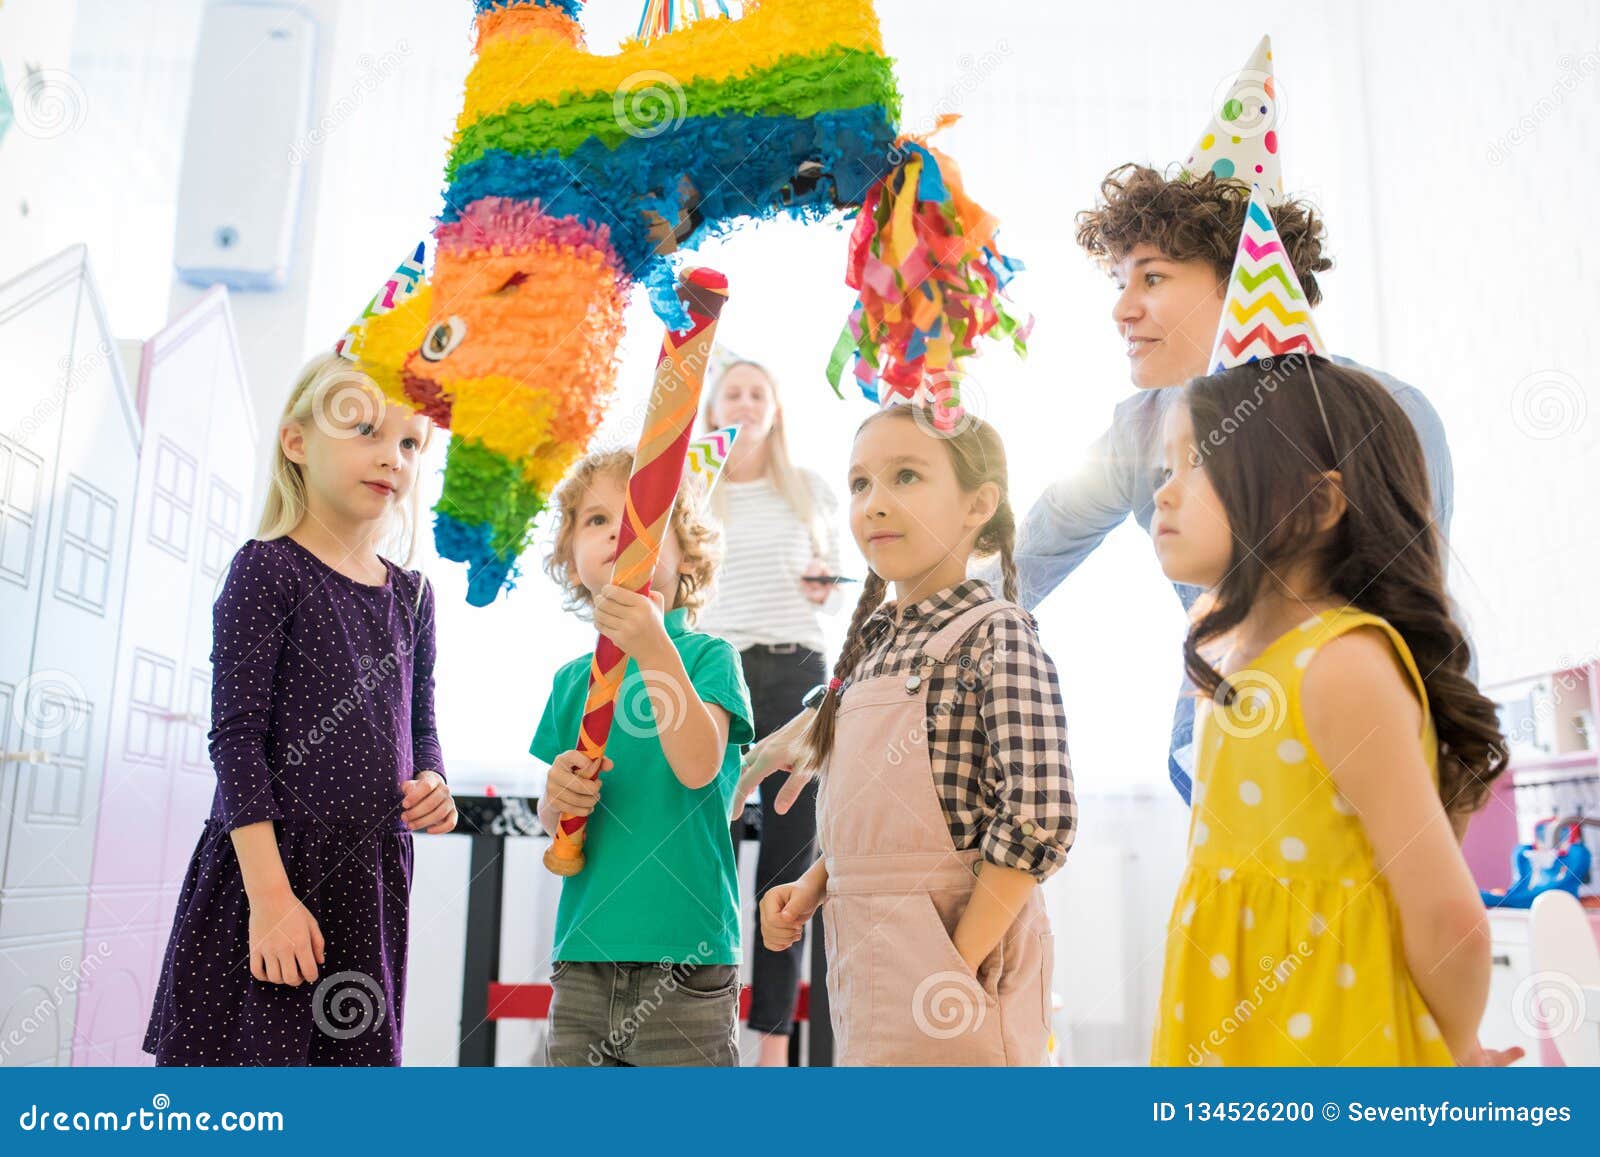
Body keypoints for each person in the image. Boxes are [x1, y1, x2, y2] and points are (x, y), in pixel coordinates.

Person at [1147, 355, 1515, 1065]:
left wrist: (1460, 1048)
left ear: (1317, 504)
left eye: (1198, 464)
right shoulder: (1225, 653)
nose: (1164, 494)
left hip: (1342, 1041)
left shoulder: (1341, 667)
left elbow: (1448, 915)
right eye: (1168, 467)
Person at [143, 353, 455, 1065]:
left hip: (369, 883)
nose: (392, 457)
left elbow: (422, 727)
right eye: (366, 430)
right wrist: (272, 900)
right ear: (296, 441)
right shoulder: (268, 568)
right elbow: (236, 741)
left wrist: (432, 779)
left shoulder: (412, 596)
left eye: (410, 443)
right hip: (270, 875)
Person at [759, 403, 1075, 1064]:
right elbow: (885, 821)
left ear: (977, 504)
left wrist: (956, 963)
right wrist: (817, 882)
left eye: (905, 476)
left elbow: (1040, 818)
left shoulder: (997, 633)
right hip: (866, 969)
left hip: (961, 972)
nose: (874, 503)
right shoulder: (871, 652)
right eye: (859, 484)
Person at [534, 448, 755, 1066]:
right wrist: (559, 796)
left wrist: (655, 649)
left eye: (644, 520)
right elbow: (554, 823)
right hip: (582, 957)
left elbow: (698, 766)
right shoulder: (571, 681)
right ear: (573, 559)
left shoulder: (709, 659)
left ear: (685, 559)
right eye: (598, 520)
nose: (620, 533)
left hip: (687, 962)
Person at [695, 358, 842, 1065]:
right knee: (706, 850)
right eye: (734, 393)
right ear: (714, 409)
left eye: (759, 392)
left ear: (776, 408)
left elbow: (837, 588)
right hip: (719, 677)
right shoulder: (695, 488)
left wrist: (823, 588)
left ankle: (772, 1041)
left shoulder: (808, 489)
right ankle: (701, 1024)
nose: (747, 403)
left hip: (798, 672)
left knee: (791, 856)